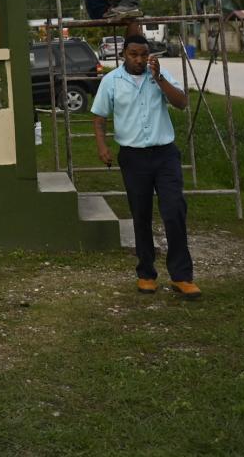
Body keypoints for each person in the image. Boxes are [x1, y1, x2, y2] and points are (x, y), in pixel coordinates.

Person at [90, 32, 200, 300]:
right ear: (123, 55)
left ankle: (182, 276)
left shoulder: (158, 76)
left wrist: (159, 78)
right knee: (141, 215)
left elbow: (182, 103)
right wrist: (102, 147)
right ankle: (146, 273)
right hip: (133, 157)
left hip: (165, 155)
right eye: (133, 54)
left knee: (174, 209)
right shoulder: (111, 81)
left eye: (143, 55)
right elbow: (99, 115)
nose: (139, 60)